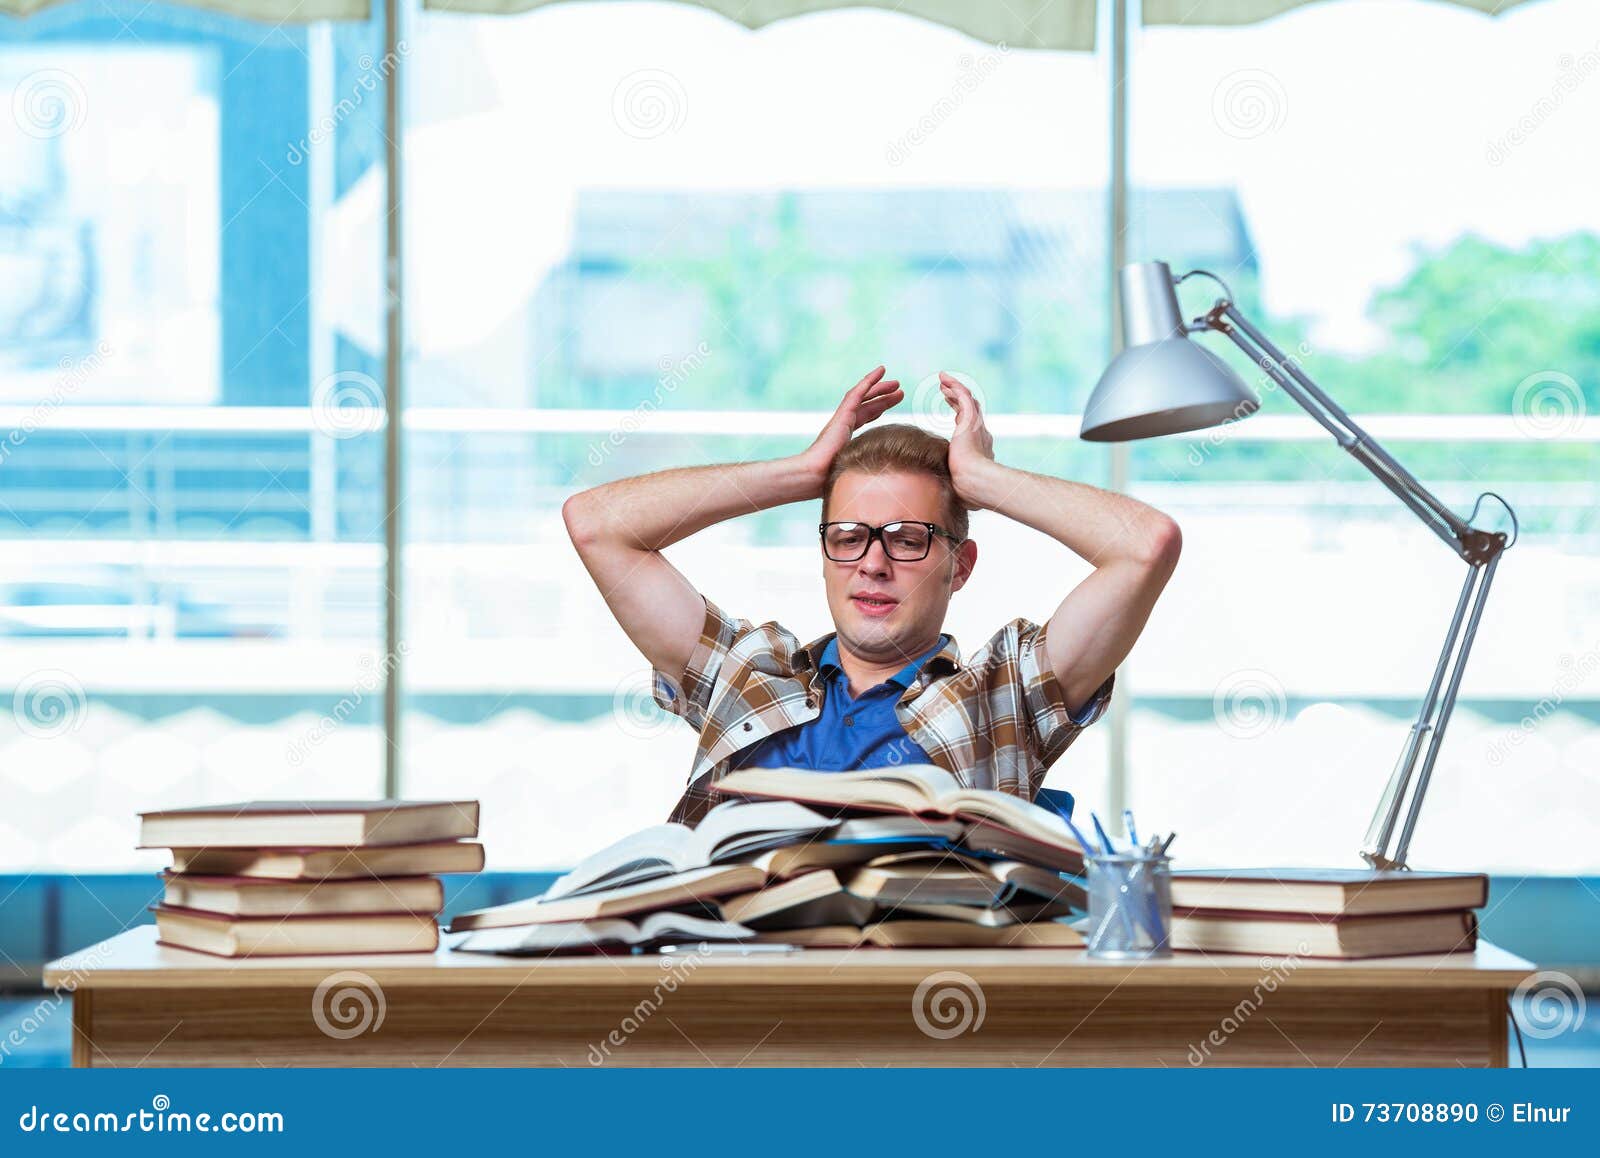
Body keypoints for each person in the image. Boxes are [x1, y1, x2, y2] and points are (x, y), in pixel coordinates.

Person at [562, 367, 1182, 823]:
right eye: (850, 537)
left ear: (959, 565)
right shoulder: (746, 673)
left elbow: (1146, 545)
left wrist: (982, 480)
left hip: (915, 989)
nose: (873, 564)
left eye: (909, 539)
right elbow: (597, 526)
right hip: (734, 984)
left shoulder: (1006, 695)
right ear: (825, 552)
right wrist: (803, 473)